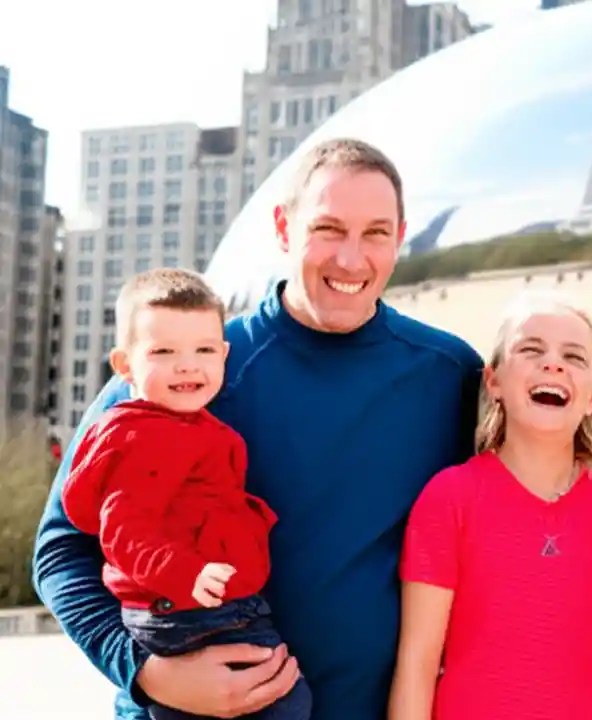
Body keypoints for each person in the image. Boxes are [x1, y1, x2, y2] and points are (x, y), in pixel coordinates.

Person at [33, 137, 483, 720]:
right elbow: (60, 550)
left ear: (399, 238)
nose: (351, 259)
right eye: (327, 229)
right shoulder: (185, 367)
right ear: (282, 228)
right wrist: (145, 672)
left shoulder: (450, 376)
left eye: (375, 233)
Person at [59, 268, 311, 720]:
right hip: (186, 611)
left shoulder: (190, 426)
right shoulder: (142, 436)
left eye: (203, 350)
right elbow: (124, 528)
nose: (188, 365)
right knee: (283, 704)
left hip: (205, 607)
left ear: (224, 354)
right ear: (124, 366)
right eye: (163, 351)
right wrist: (185, 573)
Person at [388, 291, 592, 720]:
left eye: (574, 357)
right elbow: (417, 663)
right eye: (531, 349)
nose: (553, 364)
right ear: (494, 381)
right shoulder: (451, 497)